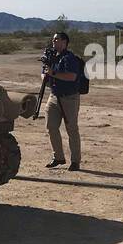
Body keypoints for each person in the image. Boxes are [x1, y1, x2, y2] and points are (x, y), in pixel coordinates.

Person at [42, 32, 82, 171]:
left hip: (69, 98)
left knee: (72, 129)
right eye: (53, 39)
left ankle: (75, 161)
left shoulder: (69, 58)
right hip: (53, 96)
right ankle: (58, 157)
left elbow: (71, 76)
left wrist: (53, 73)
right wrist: (45, 74)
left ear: (64, 42)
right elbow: (44, 73)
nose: (53, 41)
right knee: (51, 127)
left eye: (56, 39)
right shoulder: (51, 57)